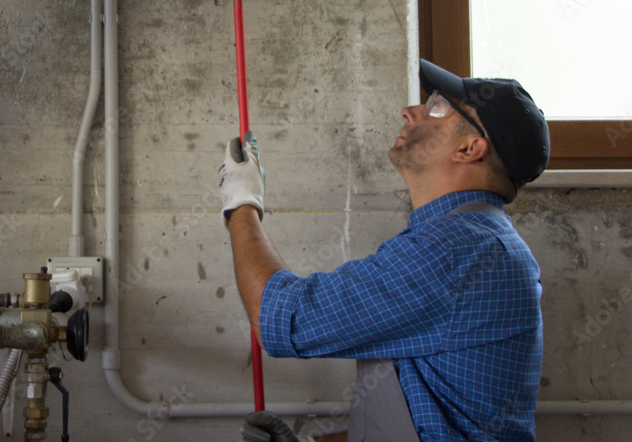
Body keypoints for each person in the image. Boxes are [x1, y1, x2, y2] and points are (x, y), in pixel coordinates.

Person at [218, 59, 551, 441]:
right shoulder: (475, 240)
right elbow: (432, 415)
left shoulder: (456, 251)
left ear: (470, 148)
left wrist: (241, 202)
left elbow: (281, 318)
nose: (411, 113)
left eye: (437, 107)